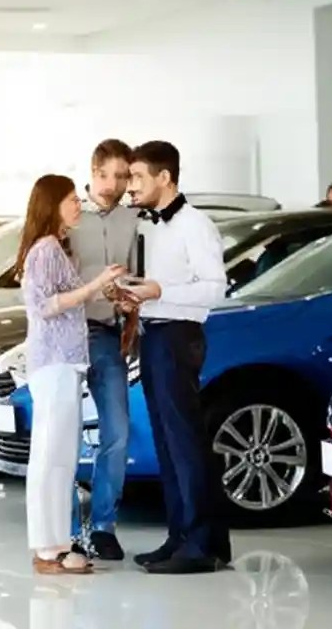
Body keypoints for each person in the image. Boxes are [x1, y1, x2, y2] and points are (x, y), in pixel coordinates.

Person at [121, 141, 232, 575]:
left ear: (164, 178)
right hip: (152, 334)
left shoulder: (196, 225)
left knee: (185, 443)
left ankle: (202, 544)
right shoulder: (147, 226)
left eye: (138, 178)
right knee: (168, 443)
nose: (131, 187)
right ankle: (181, 536)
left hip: (179, 335)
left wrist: (160, 291)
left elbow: (214, 288)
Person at [17, 174, 127, 576]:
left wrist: (107, 290)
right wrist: (95, 284)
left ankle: (57, 545)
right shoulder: (46, 249)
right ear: (52, 205)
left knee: (61, 455)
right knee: (51, 456)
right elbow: (48, 306)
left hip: (64, 363)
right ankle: (47, 549)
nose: (78, 204)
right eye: (70, 200)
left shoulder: (52, 249)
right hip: (55, 363)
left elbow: (69, 298)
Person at [68, 139, 140, 561]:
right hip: (72, 335)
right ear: (93, 172)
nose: (113, 185)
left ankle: (103, 526)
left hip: (112, 335)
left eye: (122, 176)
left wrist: (131, 316)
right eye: (106, 175)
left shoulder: (134, 218)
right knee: (64, 436)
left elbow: (136, 272)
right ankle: (66, 531)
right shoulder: (72, 216)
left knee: (117, 432)